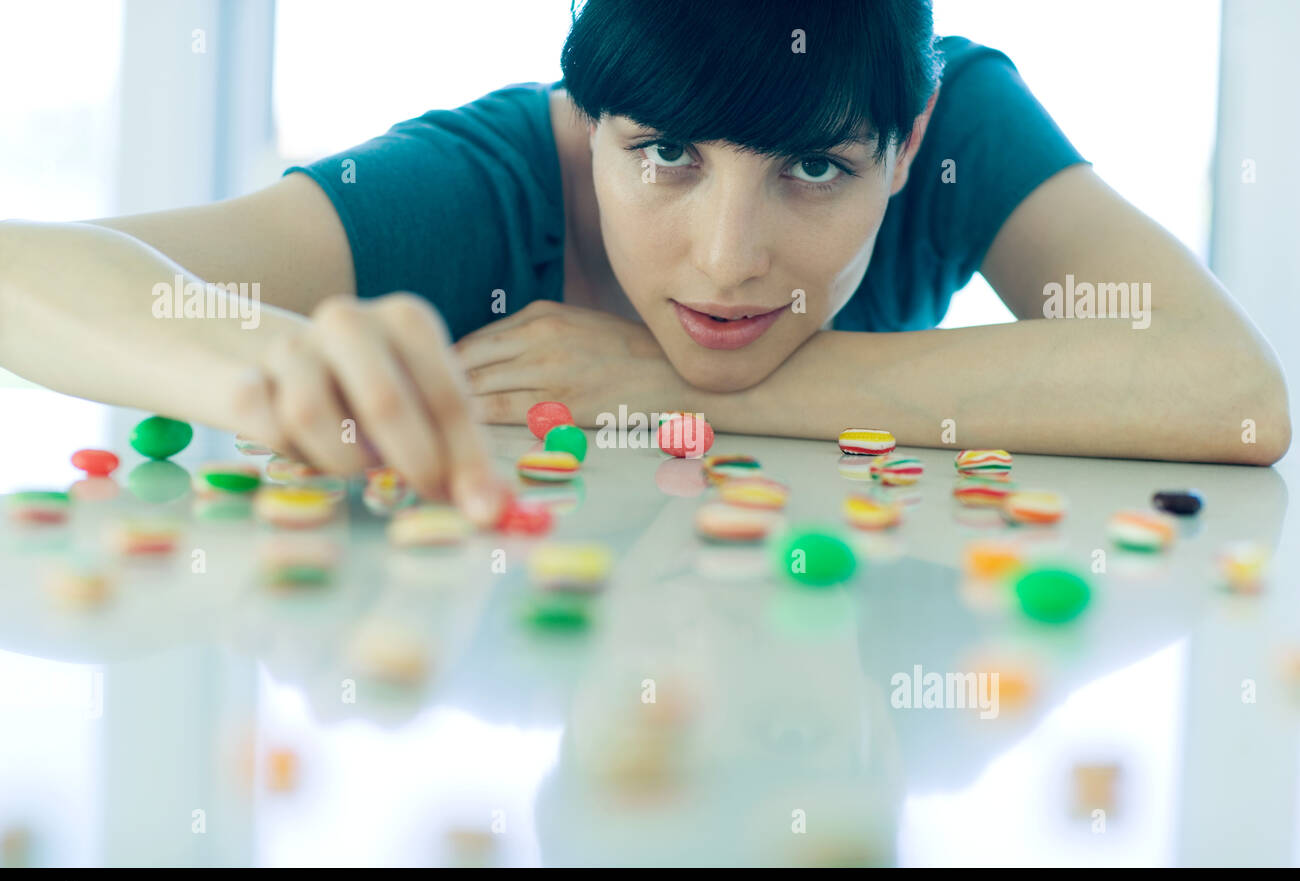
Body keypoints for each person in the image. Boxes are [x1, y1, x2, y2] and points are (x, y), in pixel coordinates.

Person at [0, 0, 1289, 527]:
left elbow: (1230, 388)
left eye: (815, 170)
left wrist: (677, 395)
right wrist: (270, 359)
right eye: (665, 152)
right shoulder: (485, 186)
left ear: (912, 146)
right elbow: (23, 271)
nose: (728, 261)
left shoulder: (961, 123)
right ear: (586, 121)